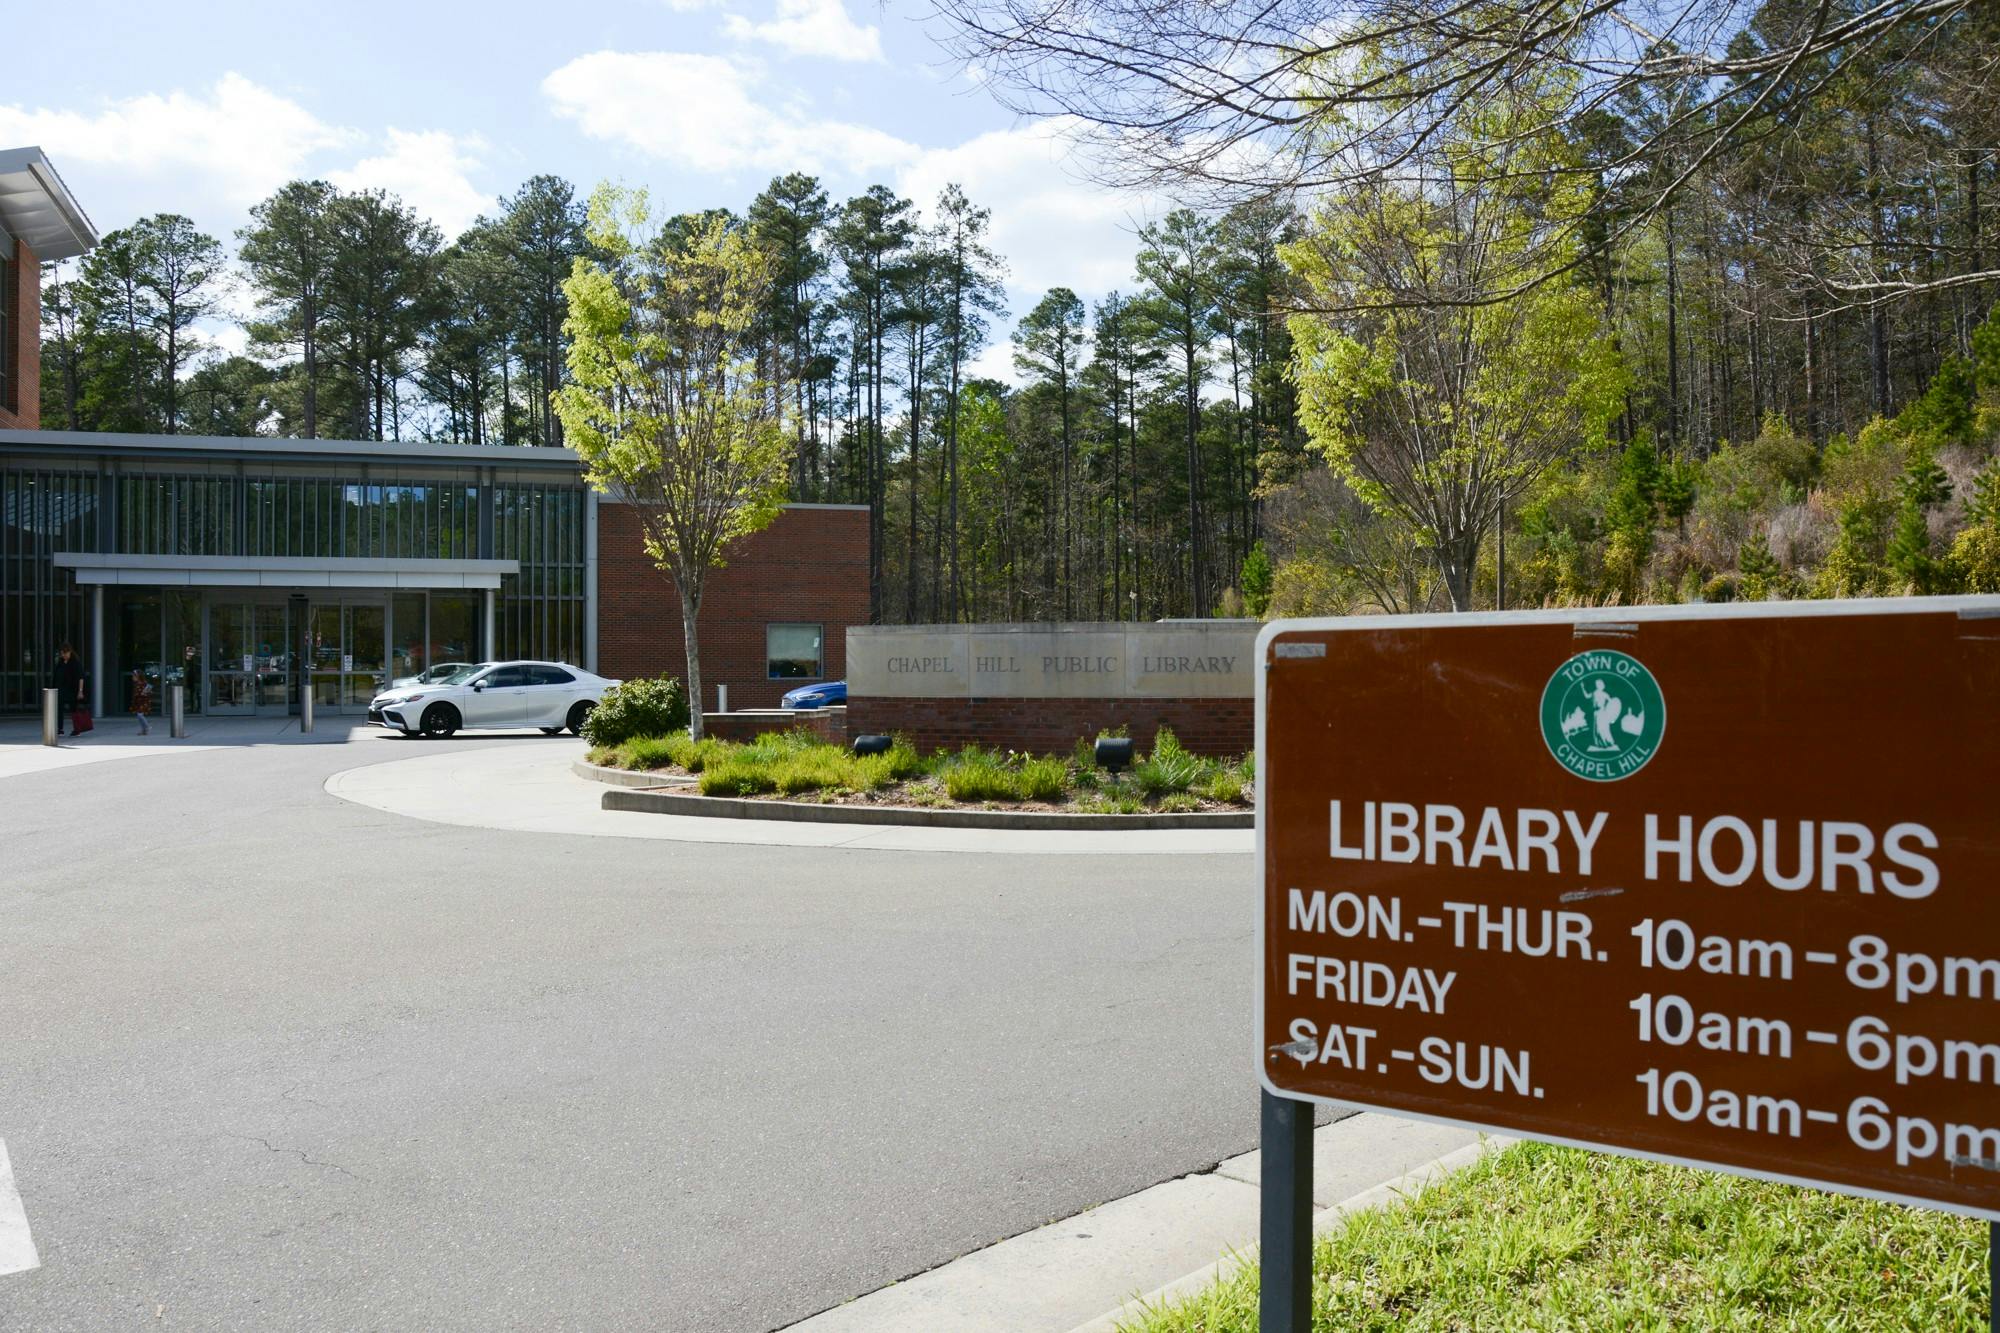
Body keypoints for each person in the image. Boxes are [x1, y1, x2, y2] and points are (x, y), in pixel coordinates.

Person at [52, 643, 86, 736]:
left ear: (69, 652)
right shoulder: (61, 662)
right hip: (61, 689)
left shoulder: (75, 662)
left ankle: (77, 729)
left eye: (65, 653)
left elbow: (81, 677)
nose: (63, 656)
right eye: (62, 654)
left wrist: (80, 691)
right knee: (59, 709)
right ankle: (60, 729)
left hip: (72, 690)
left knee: (74, 709)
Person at [130, 668, 154, 736]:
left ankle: (147, 727)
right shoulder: (137, 684)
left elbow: (148, 691)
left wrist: (144, 693)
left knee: (140, 715)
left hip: (143, 702)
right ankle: (144, 730)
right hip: (139, 701)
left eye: (134, 676)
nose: (133, 677)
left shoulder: (143, 683)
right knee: (139, 715)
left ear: (138, 676)